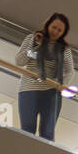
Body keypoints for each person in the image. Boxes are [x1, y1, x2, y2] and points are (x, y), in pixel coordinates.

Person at [15, 12, 74, 141]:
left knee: (47, 134)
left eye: (60, 30)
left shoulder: (64, 49)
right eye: (54, 27)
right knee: (27, 130)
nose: (55, 32)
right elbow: (19, 61)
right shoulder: (32, 38)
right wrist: (36, 45)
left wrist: (61, 86)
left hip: (51, 92)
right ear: (47, 25)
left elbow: (70, 71)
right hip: (29, 89)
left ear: (63, 33)